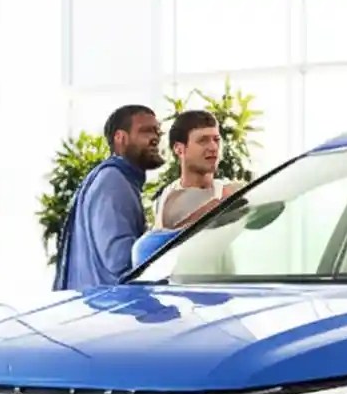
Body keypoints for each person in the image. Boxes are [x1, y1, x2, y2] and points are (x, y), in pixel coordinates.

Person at [52, 104, 165, 292]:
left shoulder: (115, 178)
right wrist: (170, 239)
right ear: (120, 138)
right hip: (110, 310)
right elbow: (120, 260)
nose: (155, 138)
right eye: (146, 131)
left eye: (157, 132)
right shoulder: (113, 181)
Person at [152, 109, 243, 230]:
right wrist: (227, 202)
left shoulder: (231, 190)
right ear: (179, 149)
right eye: (203, 140)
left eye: (216, 140)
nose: (213, 147)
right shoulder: (169, 201)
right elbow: (175, 232)